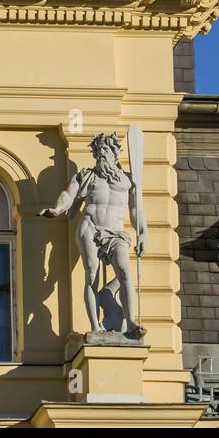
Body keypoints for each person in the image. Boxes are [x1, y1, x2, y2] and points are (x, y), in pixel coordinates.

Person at [40, 131, 146, 338]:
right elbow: (68, 195)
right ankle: (96, 326)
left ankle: (131, 319)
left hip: (116, 232)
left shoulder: (128, 181)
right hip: (90, 227)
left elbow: (136, 210)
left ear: (115, 154)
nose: (100, 155)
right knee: (91, 274)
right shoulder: (86, 176)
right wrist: (57, 209)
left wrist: (143, 232)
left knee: (124, 270)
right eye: (97, 151)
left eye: (105, 150)